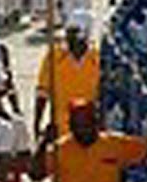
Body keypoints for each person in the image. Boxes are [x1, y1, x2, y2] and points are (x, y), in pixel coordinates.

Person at [34, 12, 101, 142]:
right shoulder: (53, 57)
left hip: (89, 131)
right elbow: (42, 93)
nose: (68, 36)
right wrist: (37, 124)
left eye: (73, 32)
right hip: (60, 130)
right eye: (68, 31)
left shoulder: (97, 59)